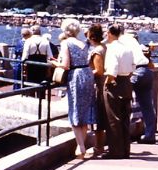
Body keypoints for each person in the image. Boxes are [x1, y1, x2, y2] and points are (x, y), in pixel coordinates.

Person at [53, 18, 94, 159]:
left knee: (75, 107)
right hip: (87, 74)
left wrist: (54, 64)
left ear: (65, 30)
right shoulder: (84, 43)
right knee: (85, 108)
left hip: (75, 76)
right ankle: (81, 144)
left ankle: (81, 146)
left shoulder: (66, 43)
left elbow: (65, 64)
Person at [103, 23, 135, 159]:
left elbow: (112, 71)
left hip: (115, 84)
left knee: (113, 118)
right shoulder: (127, 48)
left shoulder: (111, 49)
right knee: (125, 118)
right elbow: (133, 66)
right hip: (127, 81)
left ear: (110, 33)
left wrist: (106, 83)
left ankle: (115, 150)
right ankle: (125, 149)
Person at [124, 31, 158, 144]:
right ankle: (150, 135)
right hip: (147, 72)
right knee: (148, 106)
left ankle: (124, 134)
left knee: (123, 101)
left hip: (136, 72)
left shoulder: (127, 48)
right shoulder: (142, 47)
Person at [86, 24, 107, 154]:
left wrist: (86, 73)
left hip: (99, 86)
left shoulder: (97, 51)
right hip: (103, 84)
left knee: (99, 116)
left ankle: (99, 146)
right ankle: (100, 145)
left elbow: (99, 71)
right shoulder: (104, 47)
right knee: (101, 116)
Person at [22, 25, 52, 96]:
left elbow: (24, 56)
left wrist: (24, 67)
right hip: (42, 64)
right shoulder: (45, 41)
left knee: (31, 84)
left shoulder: (28, 41)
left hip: (31, 64)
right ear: (40, 32)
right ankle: (41, 100)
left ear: (31, 32)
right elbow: (50, 56)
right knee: (42, 84)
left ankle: (32, 100)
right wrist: (49, 69)